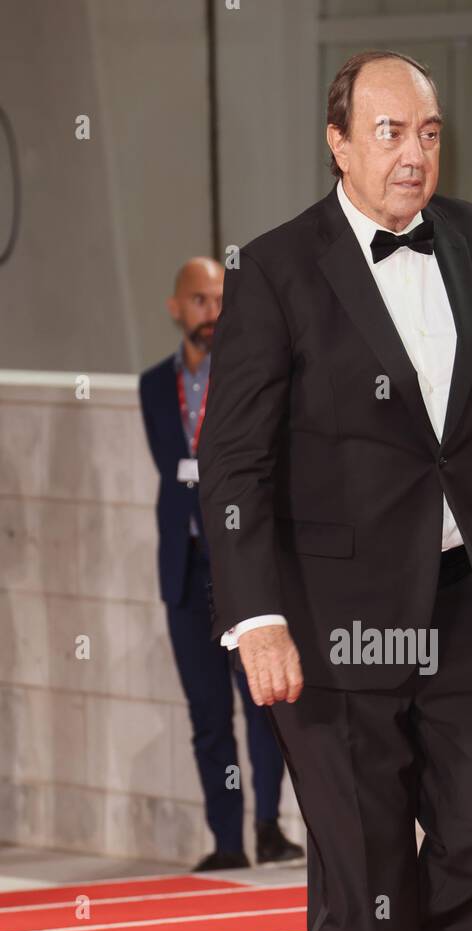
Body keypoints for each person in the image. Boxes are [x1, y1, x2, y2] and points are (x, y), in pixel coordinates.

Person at [198, 50, 472, 931]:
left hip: (465, 605)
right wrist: (255, 618)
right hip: (328, 623)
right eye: (391, 132)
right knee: (365, 870)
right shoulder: (278, 270)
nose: (414, 154)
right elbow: (235, 461)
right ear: (340, 142)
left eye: (430, 133)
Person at [139, 258, 304, 871]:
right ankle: (226, 840)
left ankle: (268, 825)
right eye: (201, 301)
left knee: (264, 707)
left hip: (243, 572)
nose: (213, 313)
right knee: (207, 716)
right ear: (176, 307)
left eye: (220, 300)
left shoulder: (248, 372)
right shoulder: (155, 385)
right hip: (184, 569)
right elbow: (171, 467)